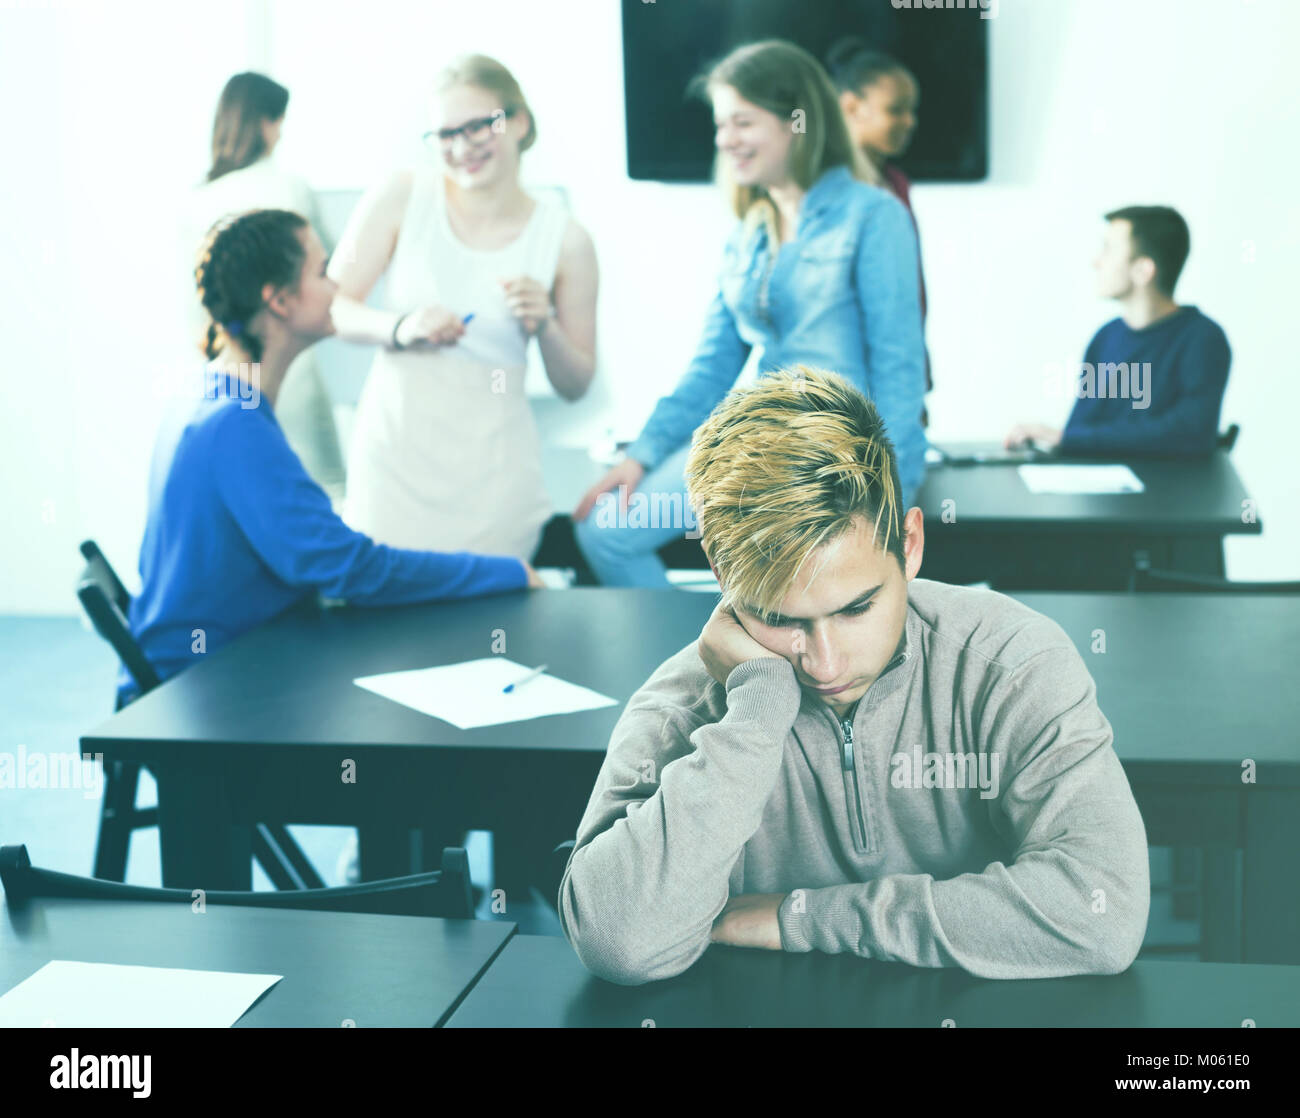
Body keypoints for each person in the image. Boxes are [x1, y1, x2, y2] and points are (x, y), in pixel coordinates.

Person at [559, 366, 1150, 985]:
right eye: (778, 618)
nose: (825, 663)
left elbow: (1100, 911)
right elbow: (616, 941)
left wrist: (806, 918)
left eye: (856, 608)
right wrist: (755, 715)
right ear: (718, 569)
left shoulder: (1010, 660)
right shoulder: (681, 706)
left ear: (911, 544)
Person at [122, 208, 542, 708]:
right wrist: (506, 572)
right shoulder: (235, 424)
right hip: (209, 689)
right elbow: (346, 567)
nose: (335, 287)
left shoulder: (214, 398)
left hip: (214, 663)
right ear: (279, 301)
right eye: (321, 273)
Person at [574, 40, 926, 588]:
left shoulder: (873, 216)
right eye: (720, 124)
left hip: (834, 462)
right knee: (607, 530)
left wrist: (891, 497)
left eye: (742, 122)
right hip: (758, 445)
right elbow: (711, 365)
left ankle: (753, 656)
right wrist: (640, 456)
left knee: (782, 590)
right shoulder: (748, 233)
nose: (724, 140)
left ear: (797, 122)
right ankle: (710, 664)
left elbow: (900, 368)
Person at [329, 54, 598, 559]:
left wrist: (546, 327)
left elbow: (576, 382)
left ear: (519, 122)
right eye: (445, 135)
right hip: (394, 466)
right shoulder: (403, 195)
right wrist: (402, 326)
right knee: (386, 627)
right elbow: (332, 307)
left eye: (478, 127)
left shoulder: (566, 239)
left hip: (493, 482)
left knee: (487, 626)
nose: (461, 147)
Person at [183, 71, 346, 502]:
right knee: (325, 493)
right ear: (263, 123)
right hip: (291, 376)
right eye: (278, 121)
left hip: (228, 367)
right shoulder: (289, 188)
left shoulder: (198, 202)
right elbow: (332, 264)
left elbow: (193, 309)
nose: (279, 134)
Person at [1005, 206, 1231, 457]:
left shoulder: (1202, 339)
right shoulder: (1105, 337)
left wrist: (1069, 438)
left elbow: (1191, 433)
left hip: (1169, 493)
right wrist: (1063, 439)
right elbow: (1080, 430)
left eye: (1108, 249)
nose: (1096, 262)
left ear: (1143, 270)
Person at [826, 38, 932, 422]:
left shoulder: (896, 184)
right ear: (851, 107)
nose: (910, 121)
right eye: (896, 110)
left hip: (898, 386)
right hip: (846, 393)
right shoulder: (826, 190)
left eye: (912, 110)